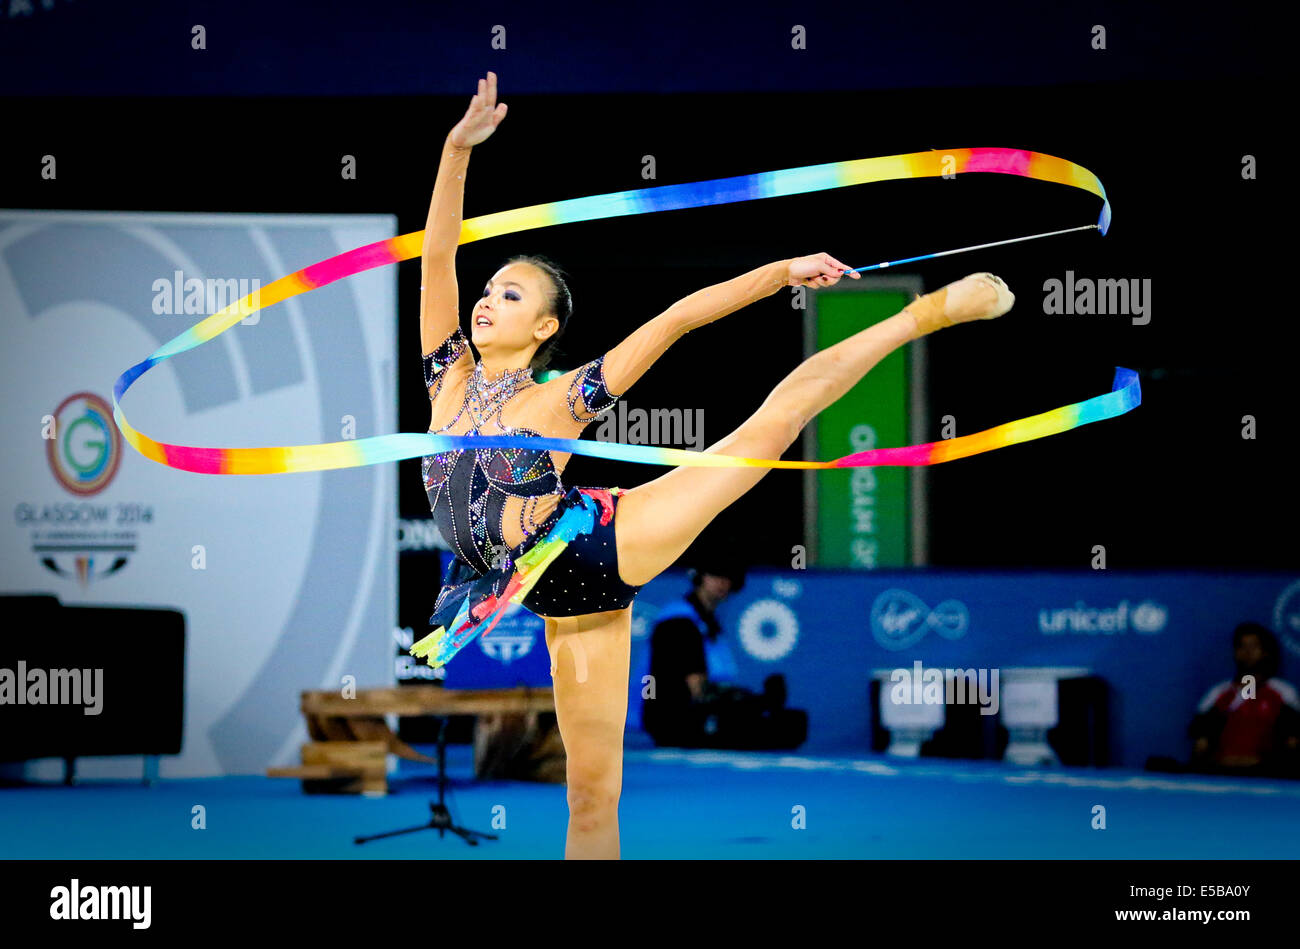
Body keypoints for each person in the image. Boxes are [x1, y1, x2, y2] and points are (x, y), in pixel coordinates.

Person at [414, 71, 1016, 858]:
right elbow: (435, 257)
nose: (487, 299)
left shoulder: (560, 399)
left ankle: (920, 314)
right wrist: (457, 150)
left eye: (512, 295)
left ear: (545, 328)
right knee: (590, 795)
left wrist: (781, 272)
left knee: (766, 431)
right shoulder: (447, 379)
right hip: (555, 600)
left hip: (597, 544)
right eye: (489, 289)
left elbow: (674, 320)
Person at [642, 556, 807, 750]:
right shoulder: (681, 624)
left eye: (729, 577)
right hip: (674, 721)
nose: (722, 582)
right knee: (781, 728)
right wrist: (757, 702)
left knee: (793, 722)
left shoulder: (706, 623)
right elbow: (699, 692)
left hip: (694, 716)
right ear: (699, 577)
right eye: (715, 574)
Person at [1188, 622, 1300, 777]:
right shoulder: (1217, 693)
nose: (1247, 652)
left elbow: (1292, 743)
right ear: (1235, 652)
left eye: (1254, 646)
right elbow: (1201, 744)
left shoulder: (1284, 693)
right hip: (1220, 773)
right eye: (1242, 646)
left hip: (1264, 774)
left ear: (1266, 653)